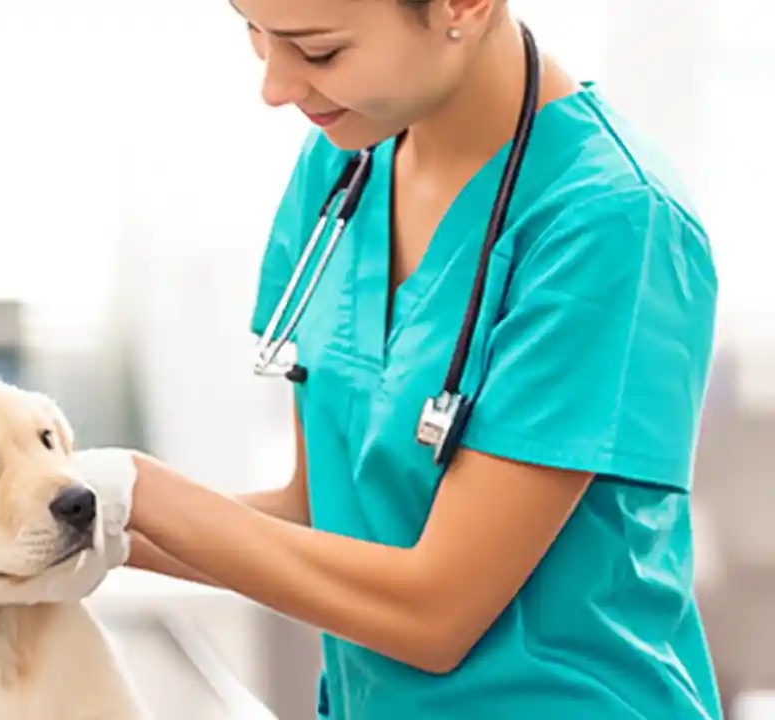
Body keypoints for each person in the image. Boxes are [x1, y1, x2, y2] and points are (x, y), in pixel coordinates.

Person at [119, 1, 724, 718]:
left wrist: (141, 489)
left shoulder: (611, 221)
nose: (274, 87)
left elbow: (434, 613)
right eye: (255, 32)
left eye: (317, 52)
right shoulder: (342, 169)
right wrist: (67, 516)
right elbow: (322, 514)